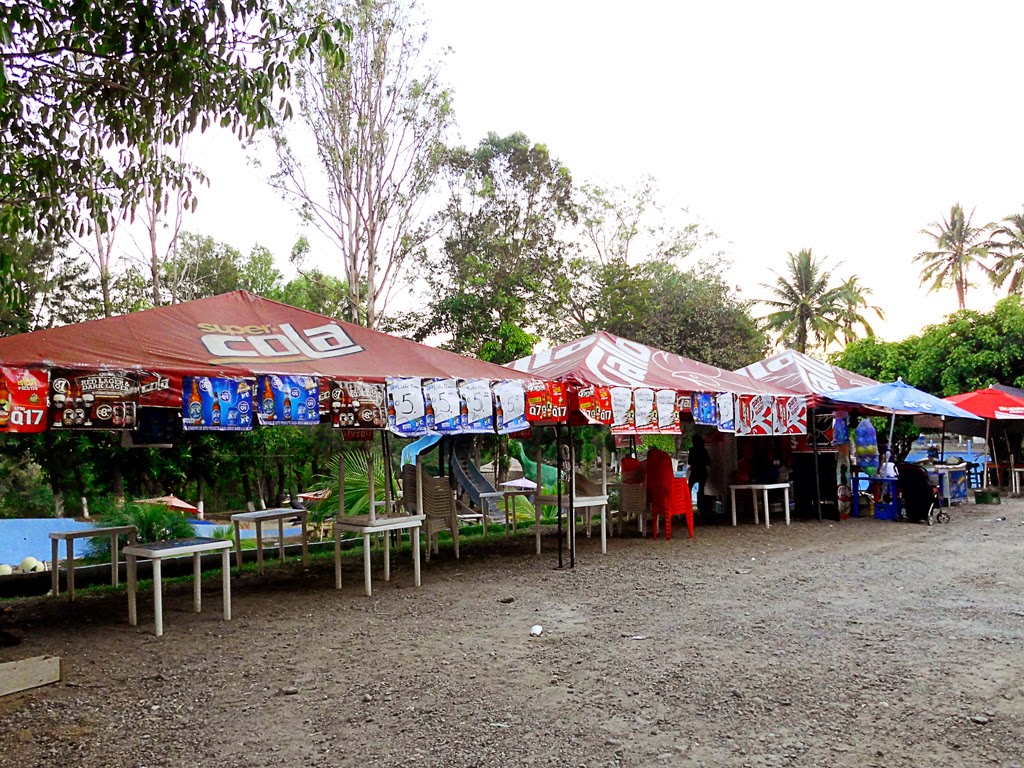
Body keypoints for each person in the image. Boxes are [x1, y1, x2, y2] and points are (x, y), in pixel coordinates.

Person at [688, 433, 712, 515]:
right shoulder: (703, 449)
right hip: (702, 471)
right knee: (701, 490)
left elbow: (689, 462)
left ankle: (688, 505)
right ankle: (701, 507)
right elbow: (708, 462)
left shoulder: (692, 450)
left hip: (694, 471)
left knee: (689, 488)